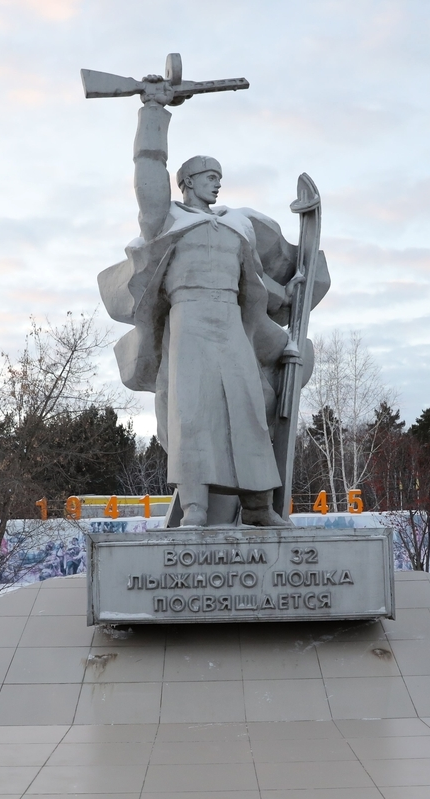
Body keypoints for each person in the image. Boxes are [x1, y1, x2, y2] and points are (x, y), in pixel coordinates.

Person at [97, 78, 329, 527]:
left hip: (230, 322)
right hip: (188, 321)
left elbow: (255, 289)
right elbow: (148, 170)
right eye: (209, 178)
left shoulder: (235, 228)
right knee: (192, 412)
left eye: (219, 179)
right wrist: (152, 112)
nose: (216, 186)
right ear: (185, 182)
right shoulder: (165, 220)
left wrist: (289, 307)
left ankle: (259, 508)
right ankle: (197, 509)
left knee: (248, 410)